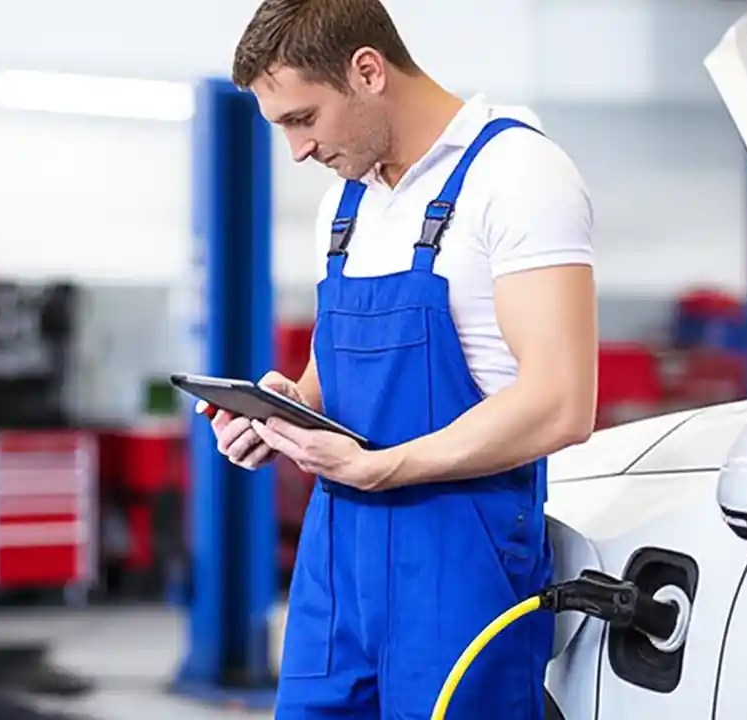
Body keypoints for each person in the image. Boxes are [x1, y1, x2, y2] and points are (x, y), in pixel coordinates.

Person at [212, 0, 598, 717]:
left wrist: (383, 467)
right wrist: (284, 409)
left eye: (303, 118)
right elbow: (332, 381)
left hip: (461, 562)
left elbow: (561, 402)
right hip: (336, 565)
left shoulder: (517, 174)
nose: (297, 150)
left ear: (367, 71)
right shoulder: (347, 205)